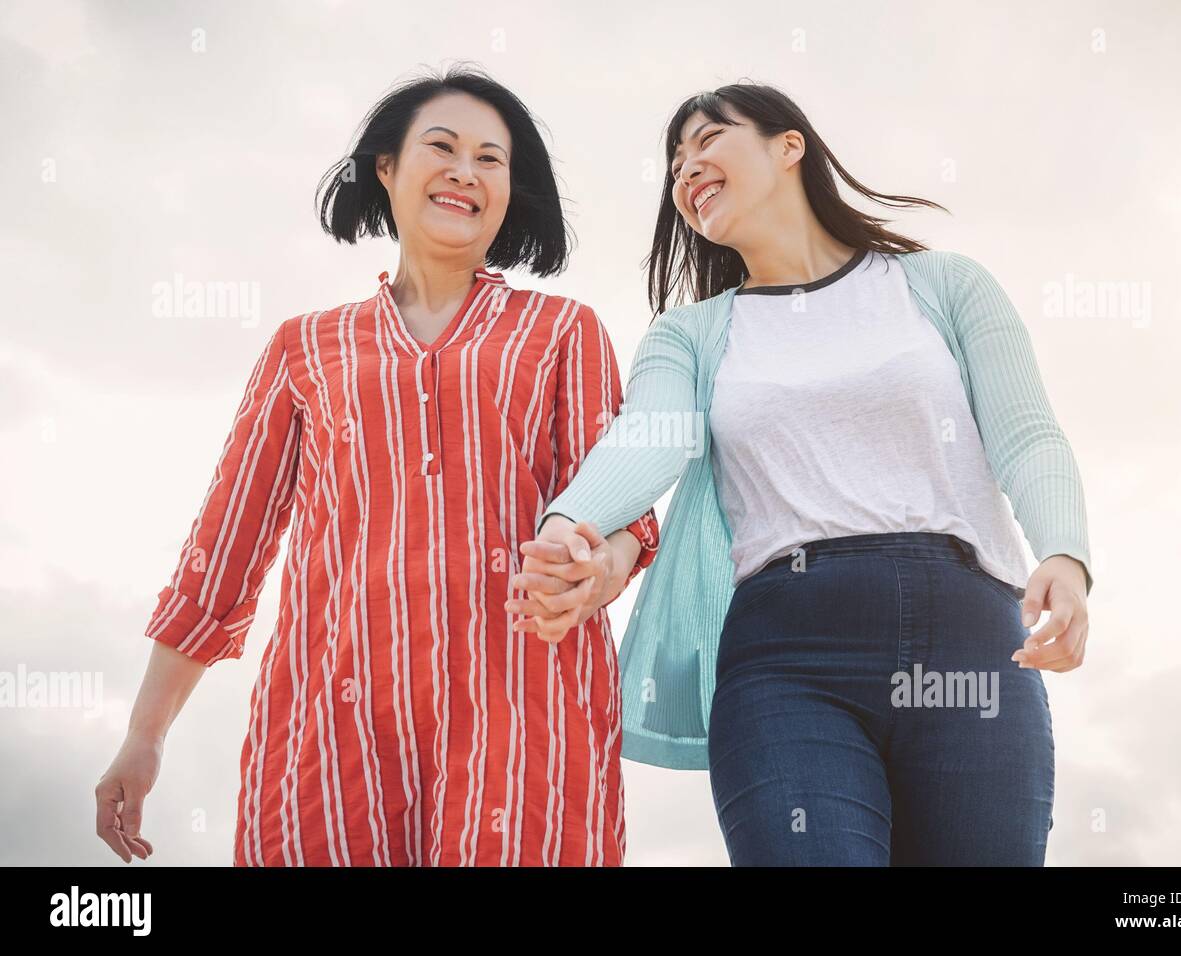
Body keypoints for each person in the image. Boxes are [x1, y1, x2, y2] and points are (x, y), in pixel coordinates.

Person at [95, 67, 658, 867]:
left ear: (509, 190)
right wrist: (144, 735)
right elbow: (222, 554)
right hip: (329, 731)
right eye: (443, 146)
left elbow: (624, 506)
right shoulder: (305, 348)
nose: (466, 170)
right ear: (386, 169)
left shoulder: (565, 333)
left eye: (491, 159)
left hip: (526, 717)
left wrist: (601, 570)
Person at [518, 82, 1092, 865]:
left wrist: (1064, 552)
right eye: (675, 165)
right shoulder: (691, 335)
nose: (686, 171)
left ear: (790, 146)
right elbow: (646, 440)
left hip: (969, 648)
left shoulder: (945, 285)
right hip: (786, 663)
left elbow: (1026, 435)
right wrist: (565, 526)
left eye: (707, 142)